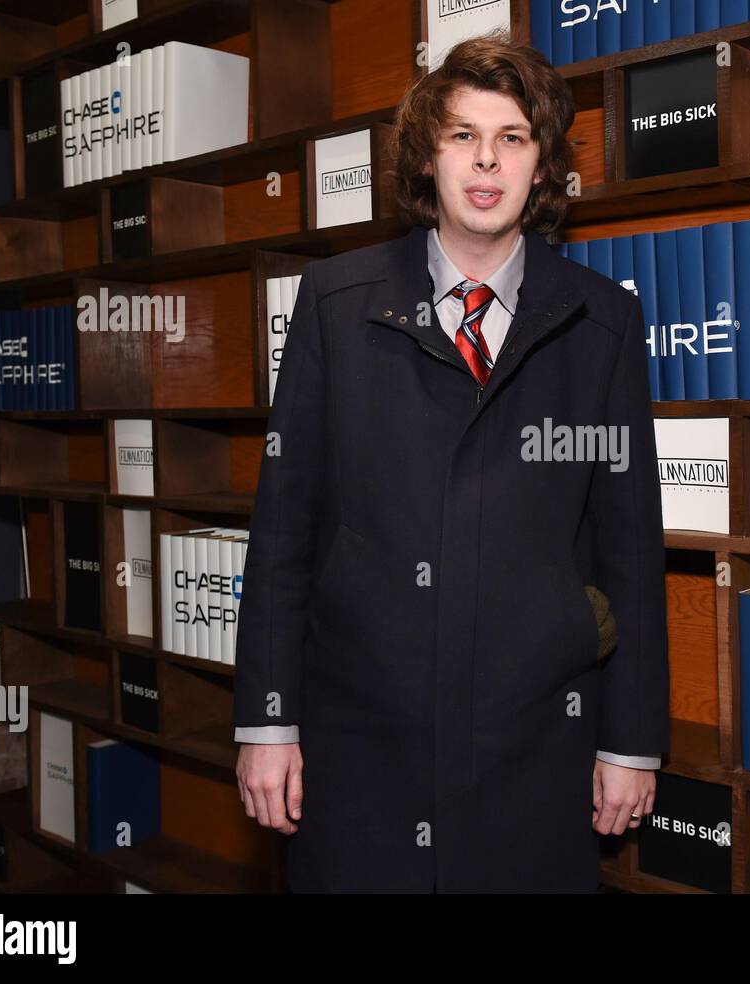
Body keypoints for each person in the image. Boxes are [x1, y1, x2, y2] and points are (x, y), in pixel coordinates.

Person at [231, 30, 669, 893]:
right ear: (427, 157)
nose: (487, 160)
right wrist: (267, 723)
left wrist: (630, 740)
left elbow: (630, 548)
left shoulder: (604, 322)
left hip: (536, 746)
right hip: (359, 745)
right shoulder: (335, 302)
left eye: (513, 138)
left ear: (542, 168)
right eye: (463, 135)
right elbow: (284, 530)